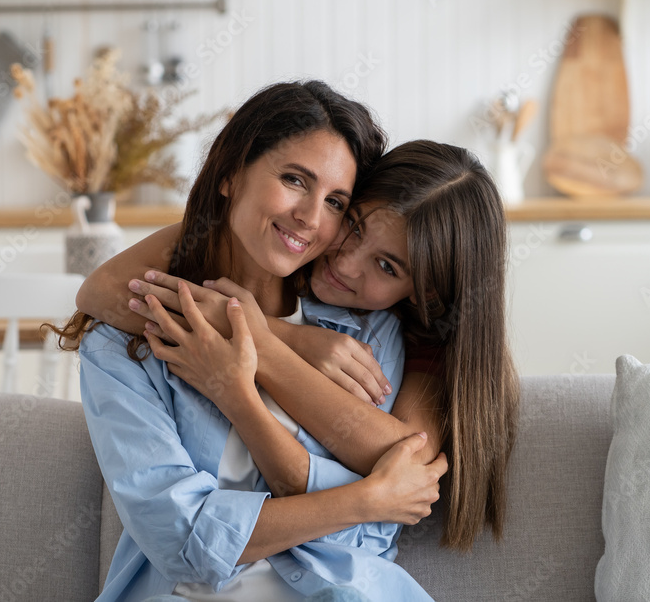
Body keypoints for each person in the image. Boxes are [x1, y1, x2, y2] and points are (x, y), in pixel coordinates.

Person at [53, 81, 448, 602]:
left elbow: (374, 535)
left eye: (335, 202)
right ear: (230, 174)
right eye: (292, 179)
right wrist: (364, 497)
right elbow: (179, 540)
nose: (309, 216)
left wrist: (262, 347)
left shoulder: (365, 332)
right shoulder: (126, 343)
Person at [81, 139, 520, 553]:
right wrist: (285, 334)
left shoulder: (404, 334)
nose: (345, 264)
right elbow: (100, 290)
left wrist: (263, 348)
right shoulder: (275, 254)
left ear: (426, 295)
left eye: (386, 265)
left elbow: (404, 461)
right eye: (351, 224)